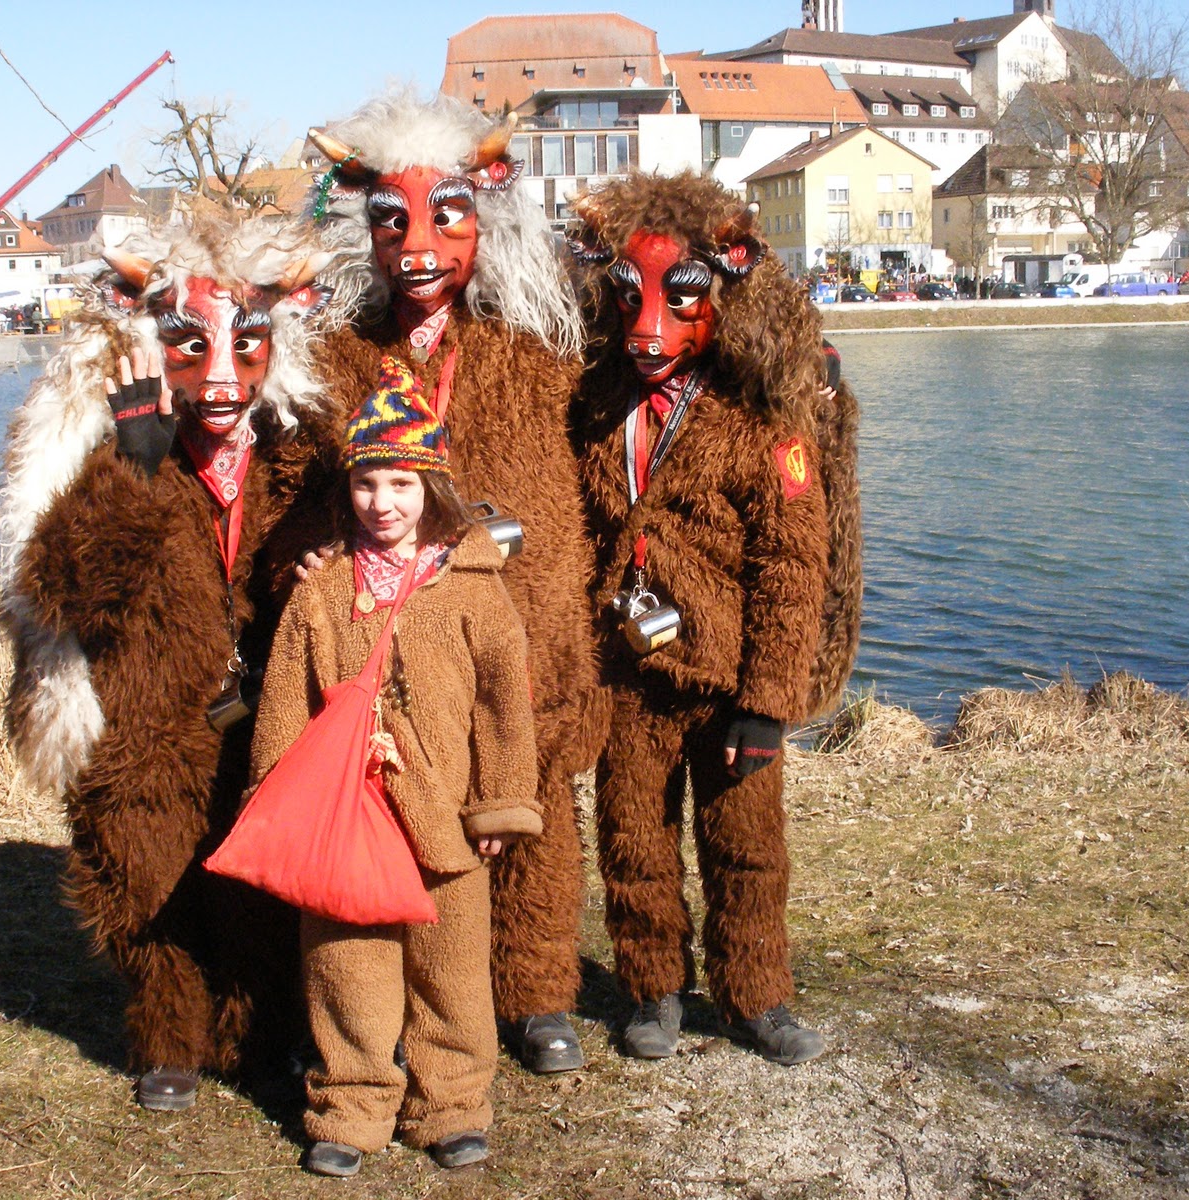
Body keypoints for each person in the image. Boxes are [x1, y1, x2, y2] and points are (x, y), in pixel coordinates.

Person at [0, 217, 337, 1113]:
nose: (220, 375)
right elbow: (70, 590)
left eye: (245, 344)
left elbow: (340, 529)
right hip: (144, 718)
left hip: (259, 705)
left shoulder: (296, 450)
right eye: (190, 347)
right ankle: (170, 1040)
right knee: (147, 880)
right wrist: (139, 467)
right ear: (152, 349)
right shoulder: (118, 447)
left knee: (258, 879)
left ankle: (262, 1035)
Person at [304, 92, 607, 1073]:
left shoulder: (536, 352)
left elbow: (585, 480)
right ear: (367, 232)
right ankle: (404, 999)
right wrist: (307, 568)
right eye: (394, 224)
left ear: (490, 222)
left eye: (447, 219)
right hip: (393, 642)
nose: (421, 247)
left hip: (522, 625)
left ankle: (537, 989)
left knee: (532, 808)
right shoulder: (337, 358)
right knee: (400, 811)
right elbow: (297, 485)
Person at [570, 172, 859, 1066]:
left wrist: (769, 702)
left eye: (680, 298)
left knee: (746, 846)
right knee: (632, 837)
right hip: (628, 667)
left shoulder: (762, 421)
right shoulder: (596, 400)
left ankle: (756, 995)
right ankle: (653, 986)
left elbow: (792, 565)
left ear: (726, 298)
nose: (648, 324)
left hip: (730, 673)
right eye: (630, 297)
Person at [249, 356, 539, 1178]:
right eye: (369, 485)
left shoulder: (475, 588)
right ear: (350, 491)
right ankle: (351, 1102)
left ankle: (450, 1103)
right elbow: (284, 700)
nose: (384, 504)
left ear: (432, 490)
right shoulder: (322, 588)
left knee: (450, 970)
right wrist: (279, 801)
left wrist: (501, 803)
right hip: (348, 814)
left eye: (403, 486)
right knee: (347, 965)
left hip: (446, 814)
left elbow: (503, 707)